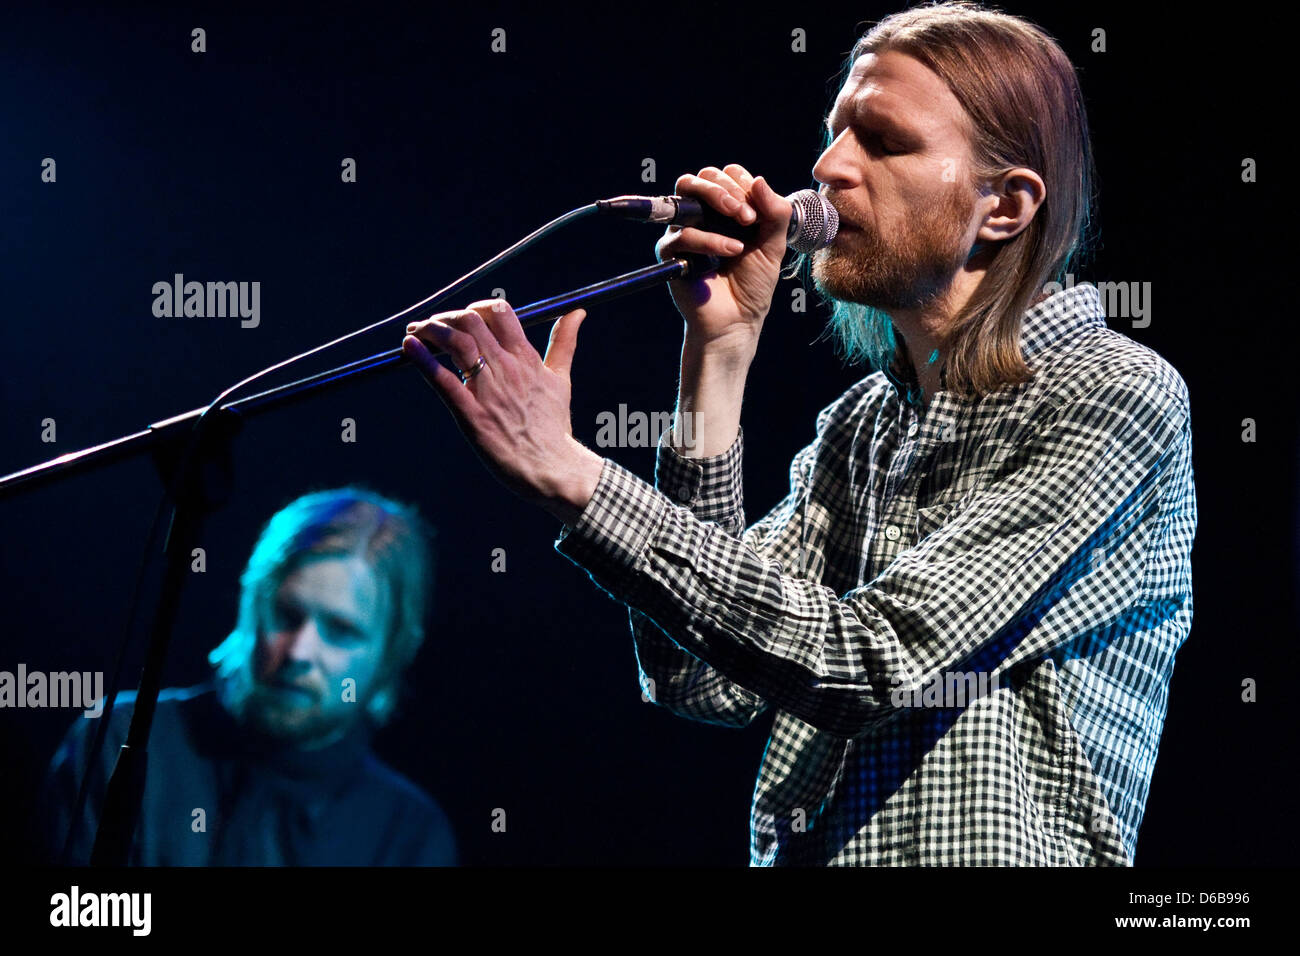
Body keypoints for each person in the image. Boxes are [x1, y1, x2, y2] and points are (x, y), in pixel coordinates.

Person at [400, 1, 1194, 866]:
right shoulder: (861, 427)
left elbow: (874, 660)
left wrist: (576, 477)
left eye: (883, 142)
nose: (826, 167)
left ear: (1004, 206)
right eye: (834, 132)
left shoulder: (1114, 393)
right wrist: (720, 350)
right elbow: (701, 678)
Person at [43, 487, 457, 866]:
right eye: (287, 615)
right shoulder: (125, 741)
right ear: (251, 606)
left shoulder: (410, 835)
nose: (298, 652)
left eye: (340, 630)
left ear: (391, 652)